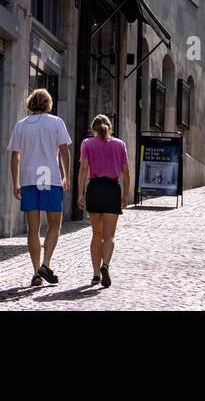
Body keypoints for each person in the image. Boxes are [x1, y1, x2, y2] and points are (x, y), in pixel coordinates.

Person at [8, 88, 72, 287]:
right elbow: (64, 151)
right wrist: (66, 175)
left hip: (28, 179)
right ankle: (45, 264)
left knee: (33, 228)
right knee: (54, 225)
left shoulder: (21, 125)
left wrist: (15, 182)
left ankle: (36, 273)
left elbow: (15, 156)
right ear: (48, 104)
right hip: (49, 178)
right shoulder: (56, 122)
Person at [77, 114, 130, 288]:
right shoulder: (120, 144)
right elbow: (126, 172)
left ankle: (95, 275)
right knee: (109, 235)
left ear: (94, 129)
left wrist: (80, 193)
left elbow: (83, 168)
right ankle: (105, 265)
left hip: (95, 188)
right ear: (110, 127)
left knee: (96, 234)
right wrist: (125, 194)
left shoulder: (87, 144)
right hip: (112, 189)